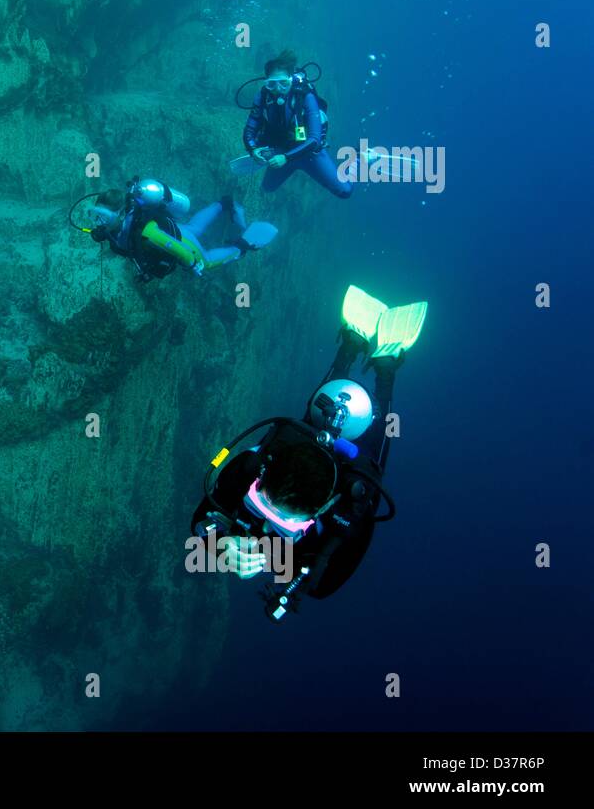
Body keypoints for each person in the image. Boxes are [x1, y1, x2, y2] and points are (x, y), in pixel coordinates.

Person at [189, 285, 427, 621]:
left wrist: (272, 561)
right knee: (318, 412)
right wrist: (218, 544)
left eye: (284, 526)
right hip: (303, 445)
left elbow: (323, 585)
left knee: (376, 441)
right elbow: (200, 522)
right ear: (263, 473)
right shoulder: (250, 466)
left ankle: (385, 372)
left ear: (323, 510)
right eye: (259, 503)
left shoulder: (347, 518)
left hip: (349, 472)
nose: (268, 526)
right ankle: (350, 347)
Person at [82, 177, 277, 282]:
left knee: (206, 261)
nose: (98, 222)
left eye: (103, 217)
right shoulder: (120, 226)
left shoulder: (146, 232)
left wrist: (192, 264)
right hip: (178, 231)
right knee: (194, 227)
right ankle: (223, 204)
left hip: (180, 241)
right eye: (95, 215)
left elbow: (177, 249)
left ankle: (241, 246)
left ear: (122, 213)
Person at [243, 50, 350, 199]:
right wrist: (253, 149)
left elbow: (314, 139)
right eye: (272, 84)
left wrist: (286, 158)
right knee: (268, 188)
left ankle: (356, 159)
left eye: (283, 83)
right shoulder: (262, 97)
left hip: (309, 153)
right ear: (266, 82)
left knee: (345, 191)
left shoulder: (305, 96)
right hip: (281, 151)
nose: (278, 89)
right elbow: (250, 129)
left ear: (291, 79)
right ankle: (290, 165)